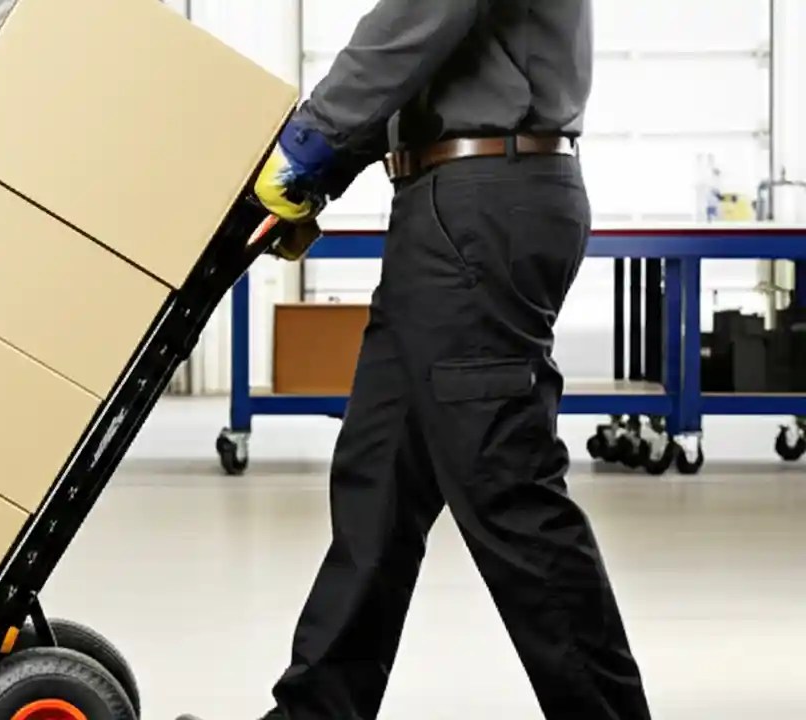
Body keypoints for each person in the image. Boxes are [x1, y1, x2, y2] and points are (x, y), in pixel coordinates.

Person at [192, 1, 652, 719]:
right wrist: (320, 170)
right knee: (379, 483)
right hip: (451, 205)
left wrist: (309, 145)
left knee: (504, 481)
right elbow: (427, 54)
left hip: (481, 201)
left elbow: (414, 21)